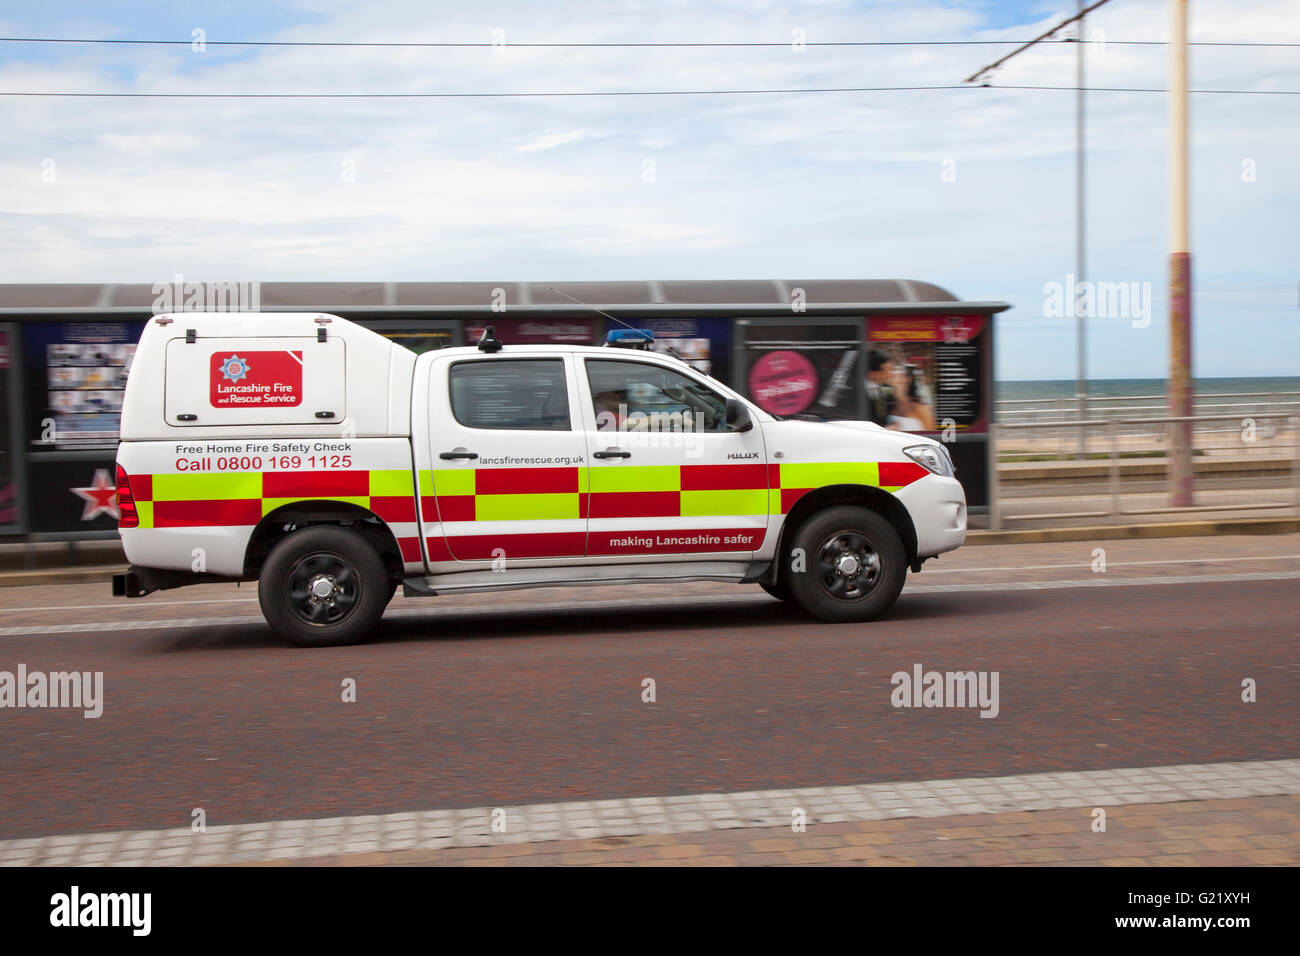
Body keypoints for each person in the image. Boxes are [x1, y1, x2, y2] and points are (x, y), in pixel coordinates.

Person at [886, 364, 936, 432]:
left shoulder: (921, 409)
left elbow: (932, 436)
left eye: (896, 369)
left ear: (906, 379)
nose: (891, 372)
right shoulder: (888, 407)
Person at [865, 349, 896, 426]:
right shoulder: (854, 392)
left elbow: (891, 410)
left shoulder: (888, 389)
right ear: (872, 373)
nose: (891, 375)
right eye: (888, 371)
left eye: (892, 370)